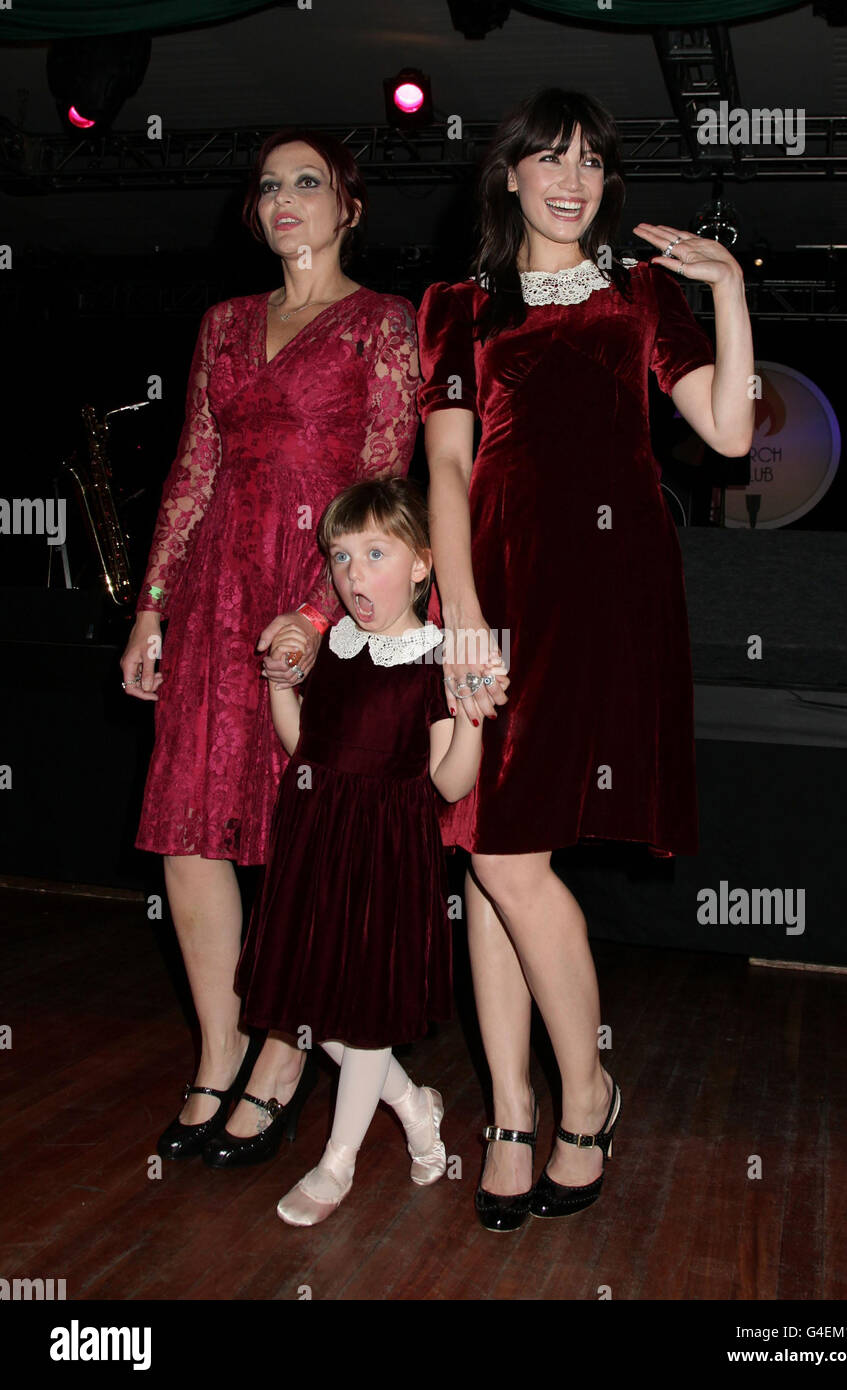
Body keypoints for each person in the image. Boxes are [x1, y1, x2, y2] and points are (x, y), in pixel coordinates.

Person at [417, 88, 755, 1230]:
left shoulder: (639, 292)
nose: (574, 178)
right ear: (507, 174)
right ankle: (521, 1106)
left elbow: (731, 429)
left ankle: (576, 1098)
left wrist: (732, 292)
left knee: (505, 854)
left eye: (594, 163)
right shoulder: (458, 304)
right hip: (499, 587)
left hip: (609, 590)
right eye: (550, 158)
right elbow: (448, 470)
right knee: (491, 849)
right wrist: (461, 611)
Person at [119, 128, 421, 1159]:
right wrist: (153, 606)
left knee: (305, 837)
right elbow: (193, 468)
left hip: (321, 600)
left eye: (308, 182)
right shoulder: (222, 324)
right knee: (192, 829)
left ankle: (284, 1051)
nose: (283, 199)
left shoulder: (385, 324)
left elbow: (385, 480)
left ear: (349, 205)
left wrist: (326, 612)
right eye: (268, 186)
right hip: (213, 596)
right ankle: (216, 1051)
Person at [226, 477, 495, 1225]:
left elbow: (448, 783)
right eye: (340, 557)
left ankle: (336, 1162)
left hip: (386, 854)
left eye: (374, 553)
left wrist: (471, 713)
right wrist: (283, 686)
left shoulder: (434, 658)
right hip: (316, 844)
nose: (352, 574)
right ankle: (414, 1102)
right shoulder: (333, 648)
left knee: (365, 1013)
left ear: (421, 564)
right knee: (319, 1010)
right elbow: (300, 749)